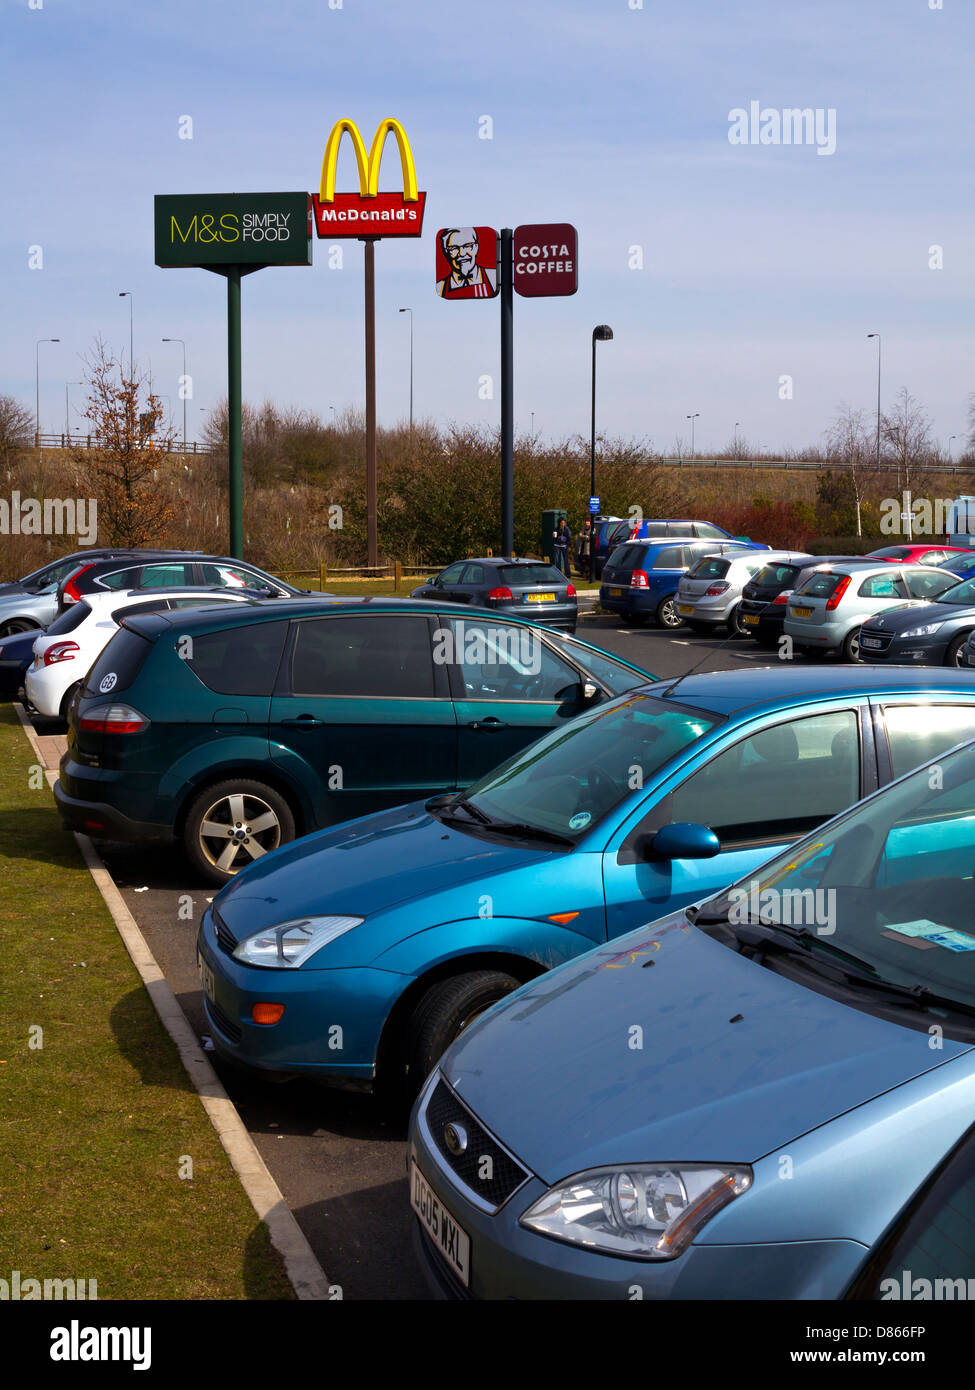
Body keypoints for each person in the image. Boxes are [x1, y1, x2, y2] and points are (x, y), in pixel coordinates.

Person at [436, 228, 497, 299]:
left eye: (467, 246)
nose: (462, 254)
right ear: (446, 252)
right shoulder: (441, 287)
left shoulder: (492, 277)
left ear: (476, 247)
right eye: (454, 248)